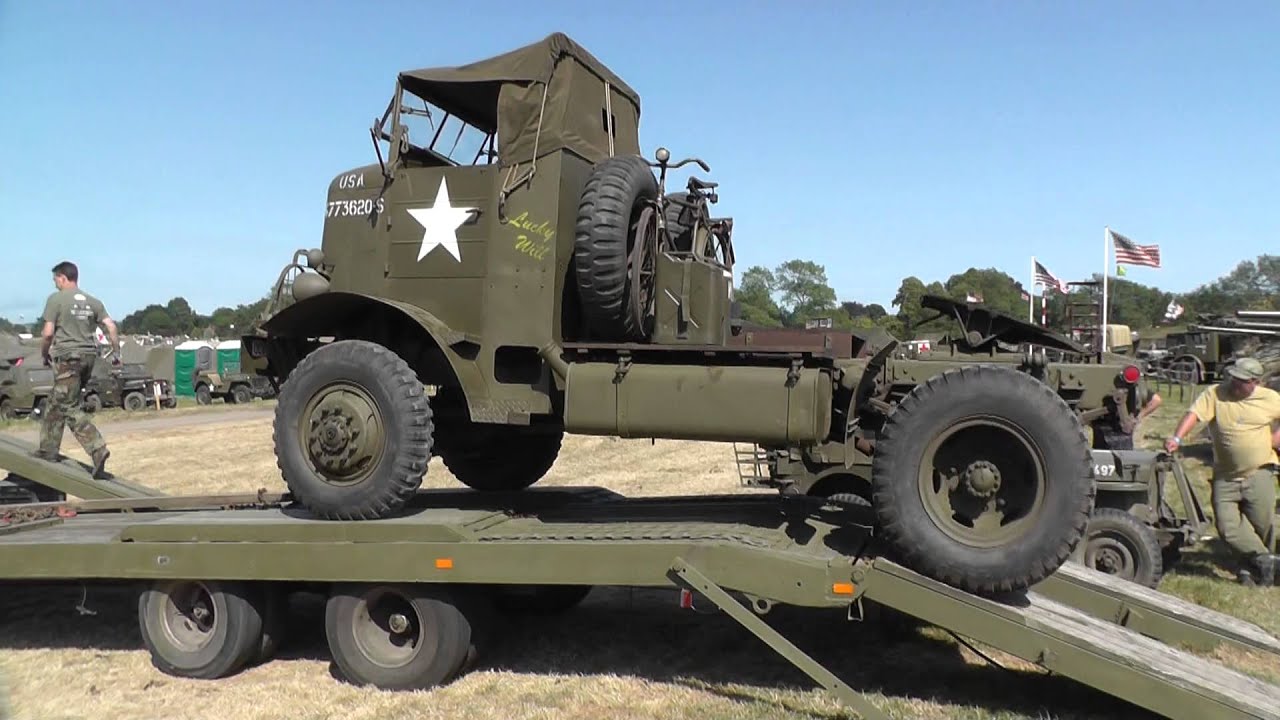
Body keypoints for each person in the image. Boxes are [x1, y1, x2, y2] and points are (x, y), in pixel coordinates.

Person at [1164, 356, 1280, 586]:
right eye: (1233, 378)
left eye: (1241, 381)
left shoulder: (1270, 398)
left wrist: (1276, 438)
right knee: (1228, 528)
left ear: (1255, 382)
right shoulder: (1215, 394)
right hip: (1225, 476)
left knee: (1263, 525)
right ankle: (1263, 559)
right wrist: (1177, 437)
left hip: (1259, 472)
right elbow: (1194, 415)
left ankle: (1254, 570)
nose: (1234, 383)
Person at [33, 261, 118, 478]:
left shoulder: (56, 300)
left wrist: (44, 353)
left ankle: (97, 448)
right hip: (88, 357)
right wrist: (116, 352)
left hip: (68, 357)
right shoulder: (93, 301)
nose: (55, 285)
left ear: (62, 278)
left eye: (55, 280)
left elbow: (48, 333)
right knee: (56, 400)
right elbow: (111, 326)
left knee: (67, 405)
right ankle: (48, 449)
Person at [1092, 371, 1162, 451]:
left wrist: (1139, 417)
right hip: (1107, 426)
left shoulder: (1129, 385)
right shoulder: (1124, 383)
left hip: (1120, 428)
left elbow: (1156, 400)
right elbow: (1156, 400)